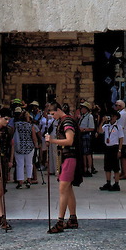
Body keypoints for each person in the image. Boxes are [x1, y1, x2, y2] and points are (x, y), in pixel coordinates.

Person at [45, 99, 80, 232]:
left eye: (53, 114)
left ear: (59, 110)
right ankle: (72, 218)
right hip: (66, 157)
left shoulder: (67, 121)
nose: (53, 117)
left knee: (63, 189)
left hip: (70, 157)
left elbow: (70, 140)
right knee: (68, 188)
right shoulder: (62, 121)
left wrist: (52, 140)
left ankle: (60, 221)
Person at [11, 103, 37, 189]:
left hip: (19, 146)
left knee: (19, 164)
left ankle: (20, 181)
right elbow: (33, 136)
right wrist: (36, 145)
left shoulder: (16, 125)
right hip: (29, 147)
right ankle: (29, 180)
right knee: (29, 164)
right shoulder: (30, 126)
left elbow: (13, 134)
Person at [99, 112, 123, 191]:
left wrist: (119, 150)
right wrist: (102, 121)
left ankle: (116, 184)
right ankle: (108, 182)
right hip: (107, 147)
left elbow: (121, 139)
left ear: (116, 117)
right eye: (111, 116)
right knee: (107, 166)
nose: (112, 118)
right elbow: (100, 131)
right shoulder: (106, 126)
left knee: (115, 167)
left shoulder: (118, 127)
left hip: (114, 147)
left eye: (114, 116)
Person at [114, 99, 126, 179]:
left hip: (123, 139)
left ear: (120, 106)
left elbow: (120, 127)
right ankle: (123, 172)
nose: (115, 107)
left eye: (116, 105)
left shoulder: (122, 114)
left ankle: (125, 173)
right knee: (121, 157)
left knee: (123, 157)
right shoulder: (122, 113)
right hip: (123, 138)